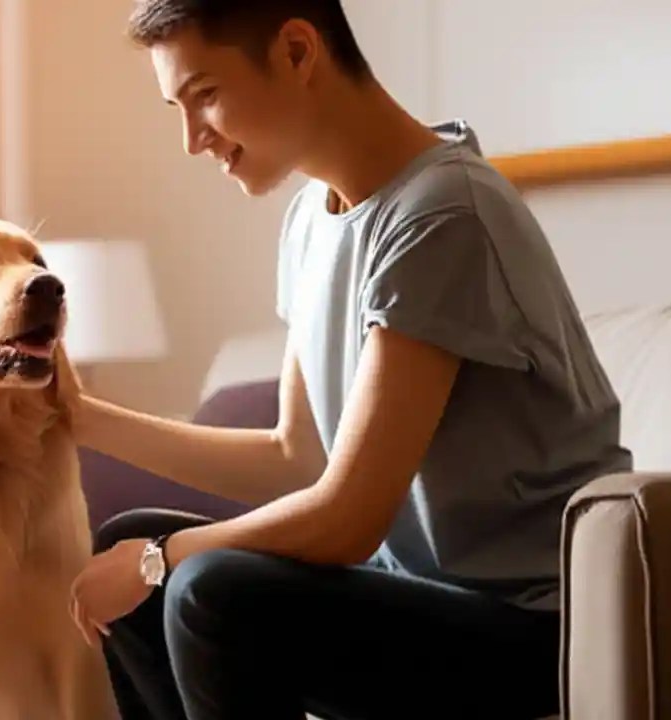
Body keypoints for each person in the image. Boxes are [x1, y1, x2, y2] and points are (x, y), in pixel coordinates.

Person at [66, 1, 634, 719]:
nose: (192, 139)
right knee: (130, 544)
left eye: (204, 94)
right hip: (417, 598)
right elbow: (295, 457)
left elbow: (347, 520)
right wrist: (80, 419)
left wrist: (160, 559)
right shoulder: (312, 219)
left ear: (297, 52)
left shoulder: (442, 214)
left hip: (535, 627)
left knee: (205, 590)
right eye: (178, 108)